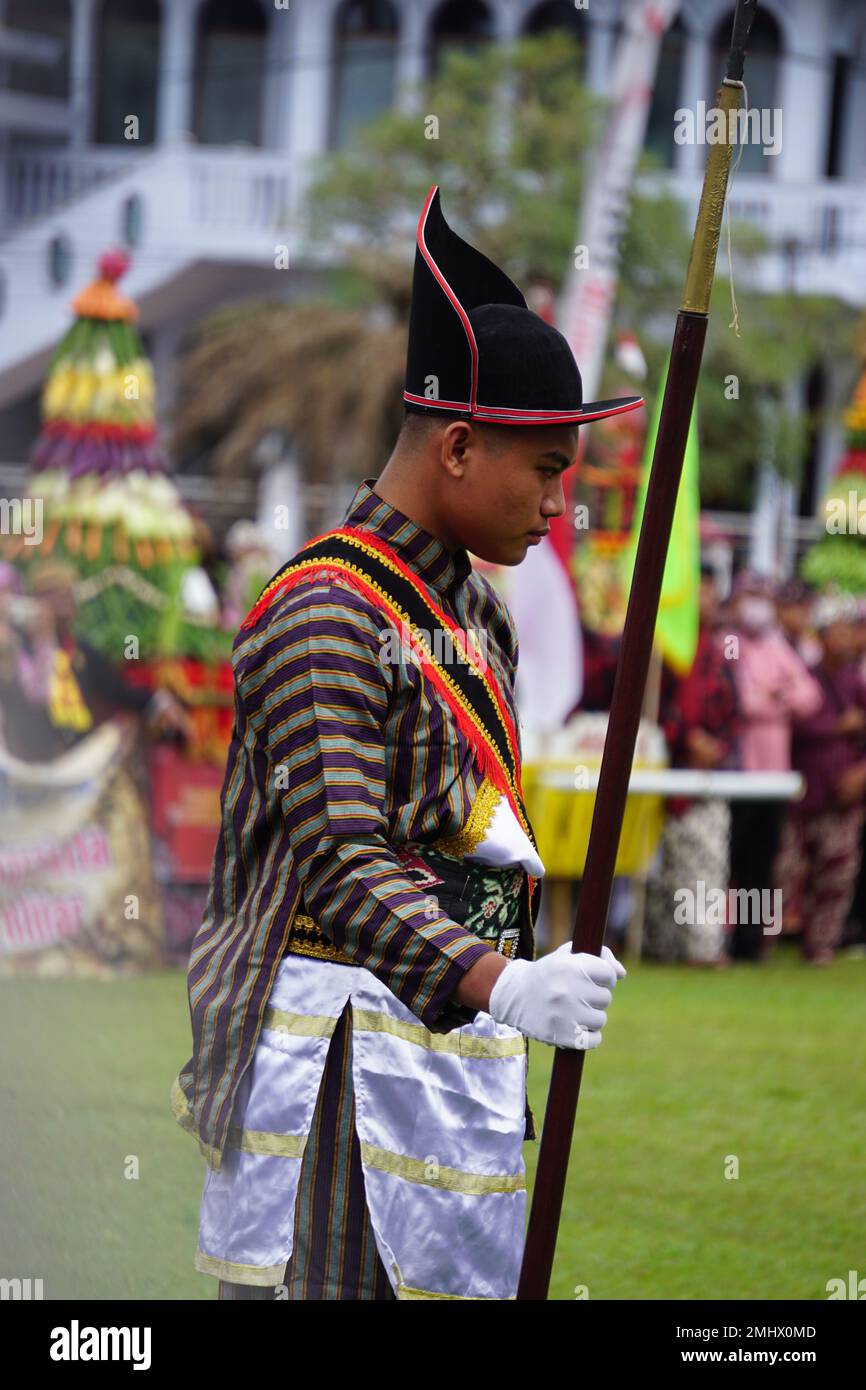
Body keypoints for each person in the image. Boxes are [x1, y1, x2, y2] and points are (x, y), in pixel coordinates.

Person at [171, 185, 640, 1301]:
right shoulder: (325, 610)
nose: (554, 503)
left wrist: (512, 985)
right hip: (329, 1067)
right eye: (544, 469)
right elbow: (340, 858)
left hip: (445, 1044)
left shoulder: (473, 612)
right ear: (462, 446)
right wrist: (504, 983)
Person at [645, 561, 741, 965]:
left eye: (708, 590)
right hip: (660, 778)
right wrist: (684, 738)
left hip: (705, 782)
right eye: (694, 590)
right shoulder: (662, 652)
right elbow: (648, 714)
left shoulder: (720, 653)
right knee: (660, 876)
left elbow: (733, 713)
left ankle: (704, 951)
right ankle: (660, 949)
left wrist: (714, 746)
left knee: (706, 865)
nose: (702, 599)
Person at [0, 559, 189, 762]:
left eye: (69, 594)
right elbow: (31, 696)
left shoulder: (81, 651)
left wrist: (159, 701)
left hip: (76, 763)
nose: (66, 602)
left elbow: (118, 690)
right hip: (25, 763)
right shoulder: (15, 648)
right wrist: (42, 639)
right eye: (56, 595)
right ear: (35, 601)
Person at [726, 572, 822, 961]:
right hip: (740, 773)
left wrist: (773, 695)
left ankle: (753, 943)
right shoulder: (729, 643)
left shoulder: (776, 644)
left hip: (774, 776)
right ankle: (728, 939)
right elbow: (743, 700)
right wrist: (778, 696)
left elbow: (808, 697)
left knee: (763, 861)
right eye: (751, 595)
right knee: (735, 859)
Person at [773, 594, 866, 963]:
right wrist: (839, 726)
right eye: (836, 632)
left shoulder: (857, 683)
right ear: (823, 636)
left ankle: (823, 946)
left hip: (845, 797)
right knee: (784, 872)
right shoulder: (803, 677)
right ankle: (765, 941)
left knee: (837, 875)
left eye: (850, 632)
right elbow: (793, 720)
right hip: (802, 794)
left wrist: (861, 775)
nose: (843, 640)